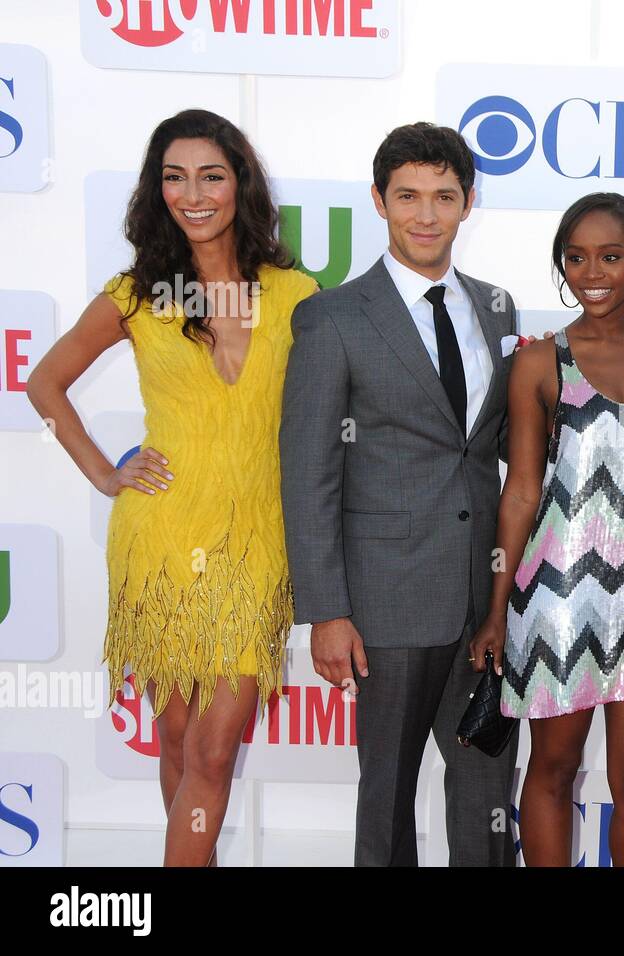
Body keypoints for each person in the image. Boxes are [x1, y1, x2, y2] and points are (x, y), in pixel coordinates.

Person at [26, 108, 316, 866]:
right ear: (157, 192)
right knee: (182, 739)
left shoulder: (293, 293)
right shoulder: (140, 293)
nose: (193, 193)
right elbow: (45, 383)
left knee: (215, 749)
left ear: (239, 184)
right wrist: (103, 471)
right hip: (160, 539)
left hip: (256, 544)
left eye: (211, 176)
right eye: (174, 177)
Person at [279, 122, 520, 867]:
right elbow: (307, 471)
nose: (425, 214)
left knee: (486, 791)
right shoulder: (333, 316)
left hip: (484, 602)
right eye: (408, 196)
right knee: (386, 793)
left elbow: (496, 445)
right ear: (379, 201)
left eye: (443, 196)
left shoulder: (497, 308)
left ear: (467, 203)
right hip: (386, 603)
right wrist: (327, 612)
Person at [470, 192, 624, 867]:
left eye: (610, 256)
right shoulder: (541, 362)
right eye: (576, 258)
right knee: (553, 772)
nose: (592, 271)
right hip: (559, 597)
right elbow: (522, 492)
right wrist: (496, 607)